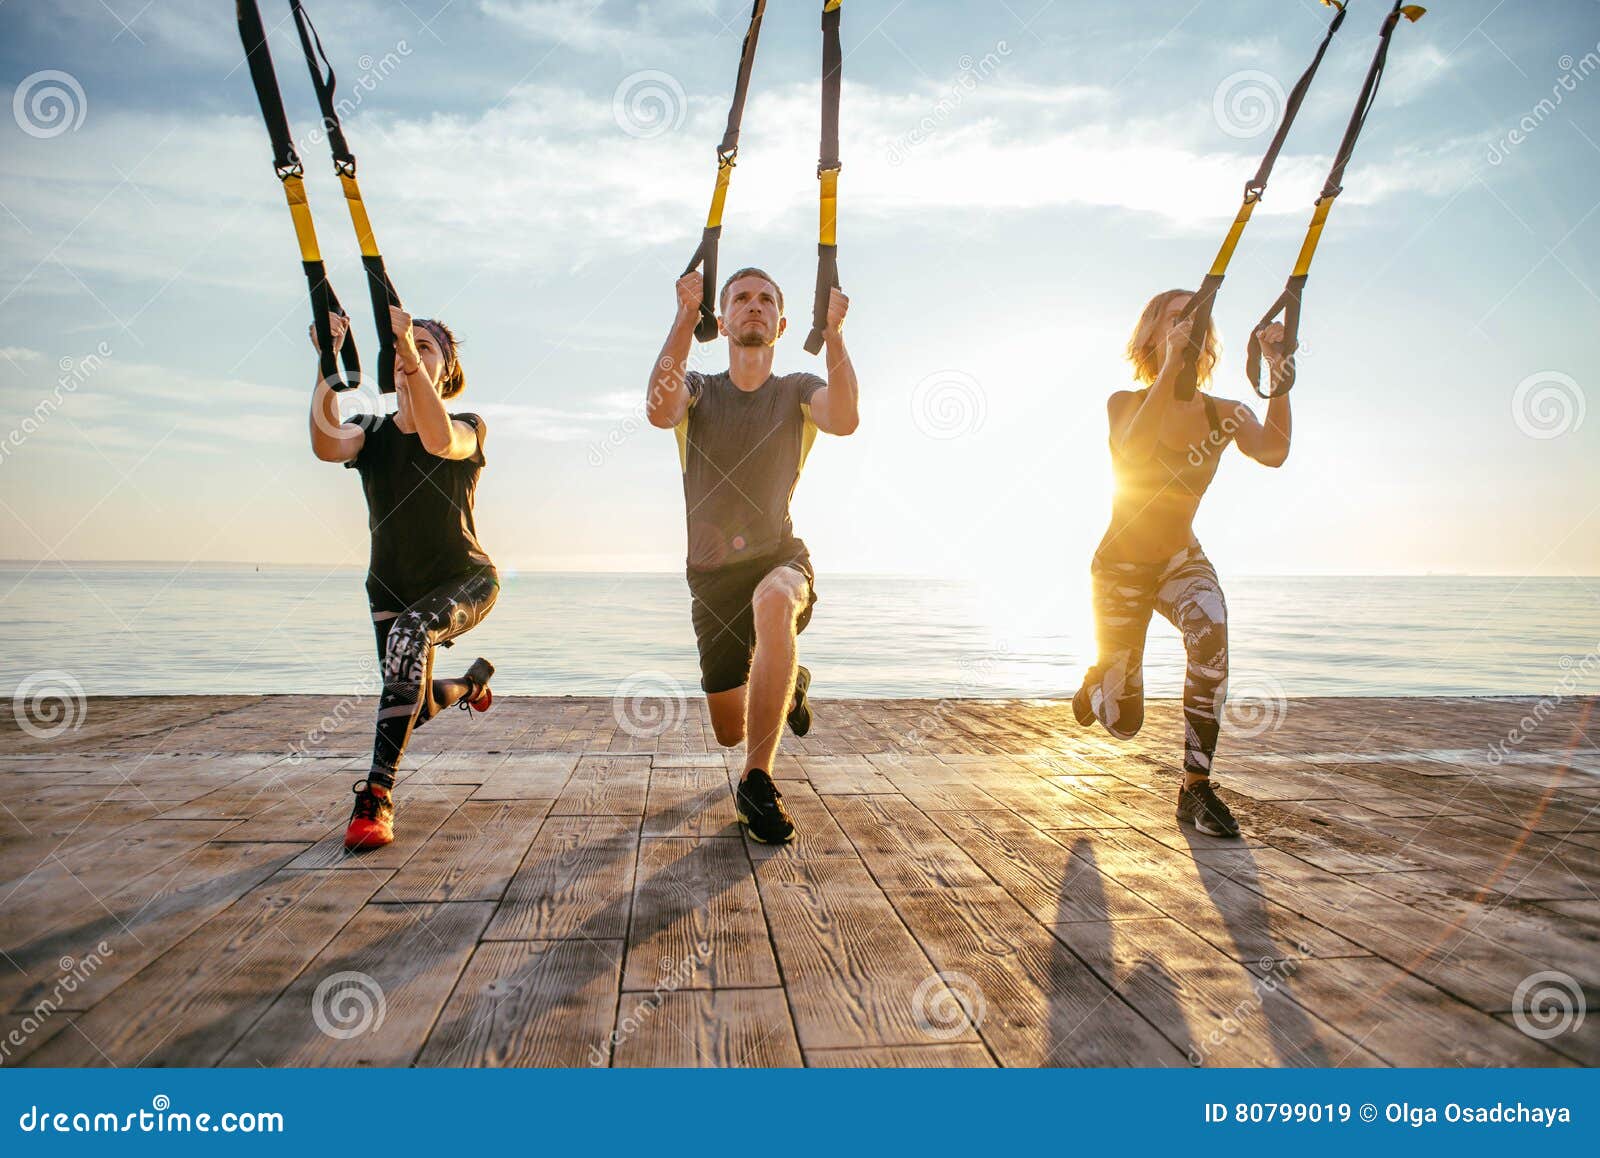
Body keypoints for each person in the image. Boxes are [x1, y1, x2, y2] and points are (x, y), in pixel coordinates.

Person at [646, 268, 858, 843]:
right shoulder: (698, 389)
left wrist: (835, 335)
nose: (755, 306)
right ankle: (790, 678)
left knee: (774, 601)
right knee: (726, 731)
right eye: (741, 298)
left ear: (783, 323)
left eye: (767, 299)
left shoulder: (796, 389)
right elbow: (659, 410)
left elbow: (844, 418)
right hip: (711, 579)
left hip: (779, 556)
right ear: (724, 317)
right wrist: (684, 317)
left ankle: (757, 783)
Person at [1072, 290, 1292, 837]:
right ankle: (1101, 679)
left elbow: (1274, 451)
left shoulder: (1224, 414)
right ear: (1151, 336)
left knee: (1211, 629)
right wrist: (1171, 364)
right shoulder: (1123, 403)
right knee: (1124, 725)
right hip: (1120, 566)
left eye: (1196, 321)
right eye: (1175, 320)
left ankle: (1195, 788)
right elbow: (1136, 451)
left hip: (1180, 560)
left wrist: (1277, 373)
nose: (1187, 328)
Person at [308, 305, 499, 850]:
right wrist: (328, 358)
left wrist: (409, 353)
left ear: (446, 371)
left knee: (409, 637)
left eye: (425, 347)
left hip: (465, 579)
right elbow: (324, 444)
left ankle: (376, 795)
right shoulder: (370, 432)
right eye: (400, 346)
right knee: (411, 701)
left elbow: (439, 442)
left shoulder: (467, 427)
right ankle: (471, 685)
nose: (407, 352)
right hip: (390, 585)